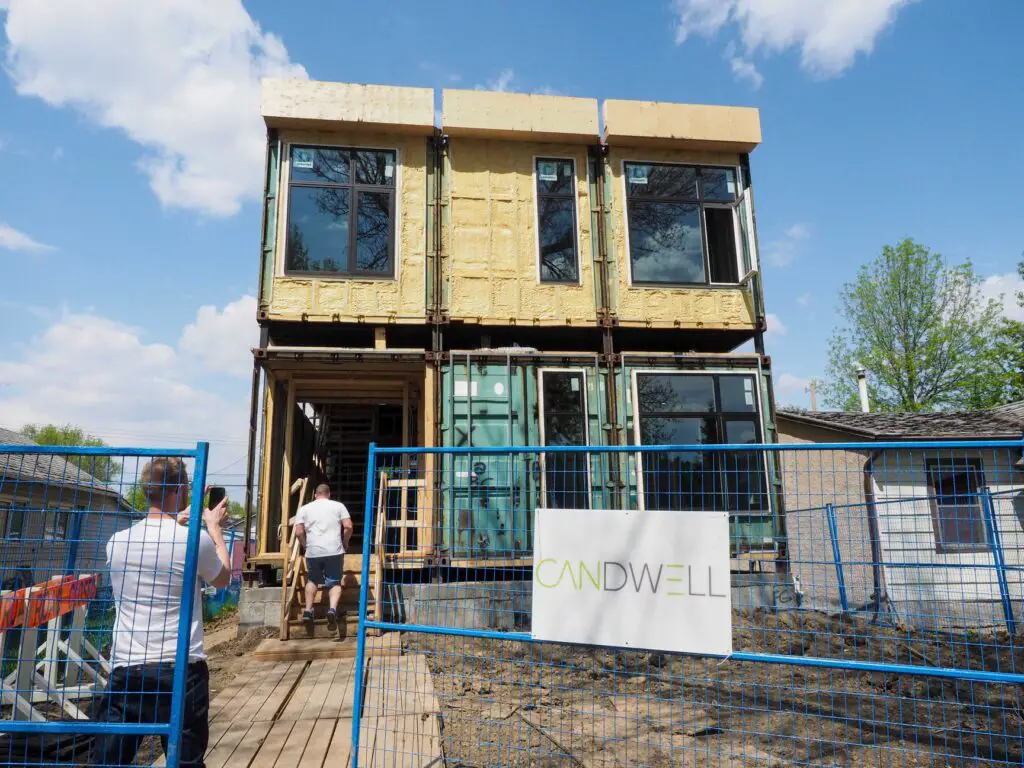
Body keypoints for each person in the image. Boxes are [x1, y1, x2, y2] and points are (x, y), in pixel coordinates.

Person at [91, 457, 231, 768]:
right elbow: (222, 577)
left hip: (127, 668)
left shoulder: (116, 542)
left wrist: (178, 520)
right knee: (185, 762)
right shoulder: (195, 540)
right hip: (180, 669)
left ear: (146, 490)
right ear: (181, 489)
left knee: (110, 761)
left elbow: (157, 544)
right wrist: (213, 528)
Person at [294, 483, 353, 633]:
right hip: (334, 550)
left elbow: (299, 531)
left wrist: (305, 546)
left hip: (313, 552)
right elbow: (348, 526)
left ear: (315, 494)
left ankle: (308, 611)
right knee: (334, 582)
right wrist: (345, 542)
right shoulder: (338, 506)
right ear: (329, 494)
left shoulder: (304, 509)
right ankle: (332, 610)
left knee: (312, 580)